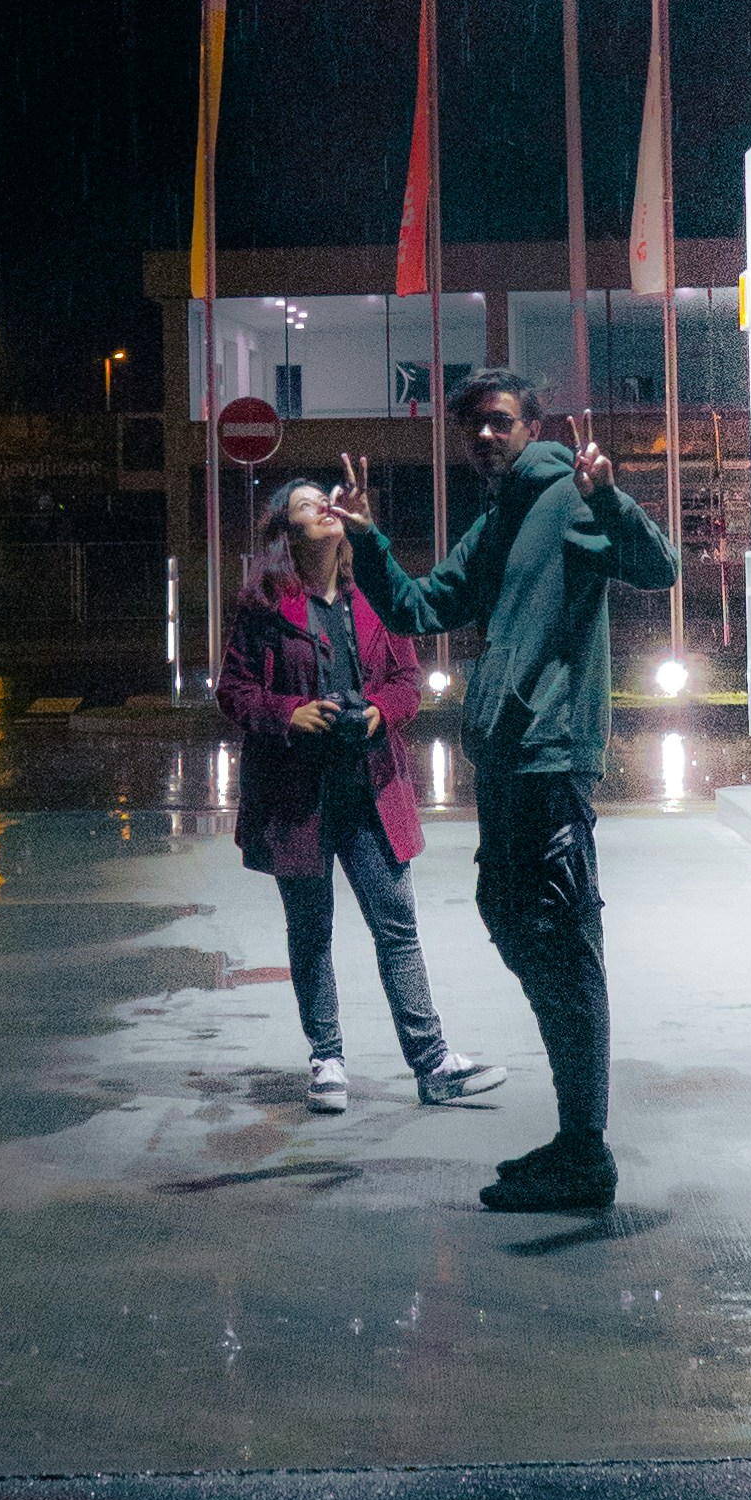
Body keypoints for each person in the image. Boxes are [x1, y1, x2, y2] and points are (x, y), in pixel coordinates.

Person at [336, 369, 676, 1209]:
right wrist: (370, 539)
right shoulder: (502, 516)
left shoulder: (566, 493)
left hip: (552, 751)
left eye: (497, 422)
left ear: (532, 425)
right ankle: (575, 1137)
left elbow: (658, 568)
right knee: (515, 919)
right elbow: (423, 606)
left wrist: (611, 500)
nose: (483, 436)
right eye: (471, 427)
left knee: (563, 941)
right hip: (510, 754)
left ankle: (585, 1151)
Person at [219, 479, 504, 1118]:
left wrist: (378, 710)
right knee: (311, 931)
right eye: (305, 504)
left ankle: (432, 1064)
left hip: (371, 790)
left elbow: (408, 683)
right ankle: (327, 1060)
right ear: (285, 531)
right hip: (297, 796)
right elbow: (233, 691)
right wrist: (289, 713)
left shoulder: (371, 594)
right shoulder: (264, 605)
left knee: (396, 928)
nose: (323, 507)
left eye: (326, 500)